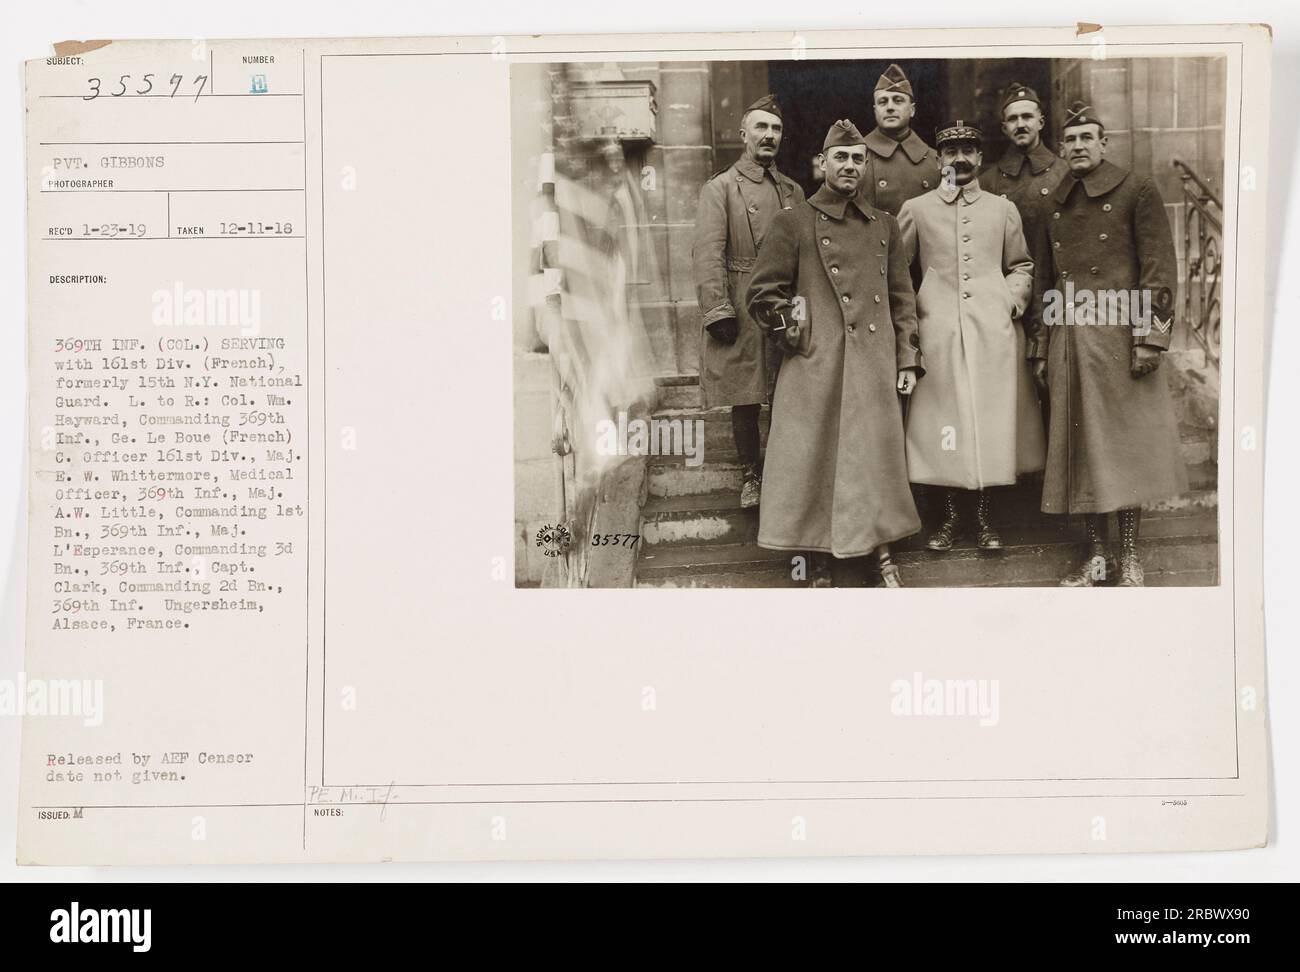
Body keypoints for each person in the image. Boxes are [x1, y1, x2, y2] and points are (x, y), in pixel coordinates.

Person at [747, 119, 924, 588]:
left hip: (872, 361)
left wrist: (907, 358)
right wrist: (798, 334)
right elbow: (763, 295)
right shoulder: (793, 222)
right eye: (840, 158)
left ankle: (881, 551)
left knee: (872, 459)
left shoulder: (884, 225)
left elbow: (903, 298)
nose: (849, 166)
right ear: (822, 164)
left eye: (857, 158)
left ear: (867, 166)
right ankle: (815, 557)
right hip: (815, 364)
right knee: (812, 458)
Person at [1026, 102, 1187, 587]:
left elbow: (1159, 269)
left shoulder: (1137, 189)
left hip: (1121, 340)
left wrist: (1150, 341)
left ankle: (1132, 559)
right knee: (1081, 454)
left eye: (1087, 138)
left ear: (1104, 142)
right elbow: (1044, 282)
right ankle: (1097, 557)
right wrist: (1040, 349)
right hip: (1070, 343)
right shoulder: (1052, 201)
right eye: (1070, 140)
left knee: (1125, 452)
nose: (1077, 147)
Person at [897, 120, 1045, 551]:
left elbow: (1022, 265)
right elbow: (897, 275)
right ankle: (948, 521)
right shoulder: (917, 208)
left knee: (986, 426)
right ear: (939, 159)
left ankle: (984, 521)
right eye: (950, 152)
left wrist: (1008, 300)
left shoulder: (1002, 209)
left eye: (968, 151)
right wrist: (916, 315)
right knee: (946, 426)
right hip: (937, 334)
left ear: (980, 158)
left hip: (992, 336)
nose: (959, 159)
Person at [693, 94, 805, 509]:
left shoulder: (793, 189)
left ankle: (781, 470)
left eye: (775, 129)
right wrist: (717, 309)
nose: (769, 136)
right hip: (742, 299)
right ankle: (751, 476)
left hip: (784, 300)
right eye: (761, 127)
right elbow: (707, 253)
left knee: (787, 387)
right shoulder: (720, 188)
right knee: (746, 392)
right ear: (743, 134)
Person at [979, 81, 1070, 249]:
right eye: (1013, 119)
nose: (1020, 125)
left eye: (1027, 117)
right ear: (1005, 128)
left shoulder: (1065, 173)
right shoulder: (987, 182)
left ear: (1040, 123)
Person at [858, 63, 938, 217]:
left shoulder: (935, 160)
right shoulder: (856, 156)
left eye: (898, 100)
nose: (890, 107)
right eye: (883, 102)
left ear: (912, 110)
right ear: (875, 110)